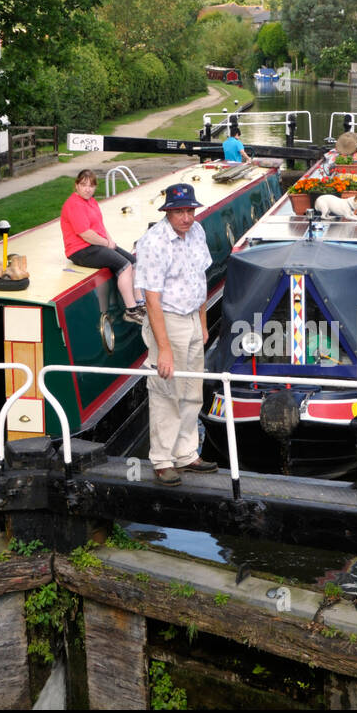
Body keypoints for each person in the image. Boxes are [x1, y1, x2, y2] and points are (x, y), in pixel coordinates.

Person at [134, 183, 220, 486]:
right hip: (167, 320)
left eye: (190, 210)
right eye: (180, 211)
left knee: (192, 389)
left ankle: (185, 453)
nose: (187, 217)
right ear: (168, 212)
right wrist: (164, 348)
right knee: (166, 391)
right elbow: (152, 300)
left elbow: (200, 279)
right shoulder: (153, 243)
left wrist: (204, 321)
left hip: (193, 318)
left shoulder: (197, 232)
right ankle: (161, 459)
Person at [60, 169, 144, 324]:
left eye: (91, 186)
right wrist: (106, 244)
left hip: (97, 245)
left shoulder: (91, 201)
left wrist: (111, 241)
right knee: (125, 266)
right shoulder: (74, 205)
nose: (88, 189)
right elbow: (85, 234)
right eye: (84, 185)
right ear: (76, 185)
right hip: (81, 250)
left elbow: (99, 225)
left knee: (134, 262)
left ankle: (140, 304)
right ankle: (131, 311)